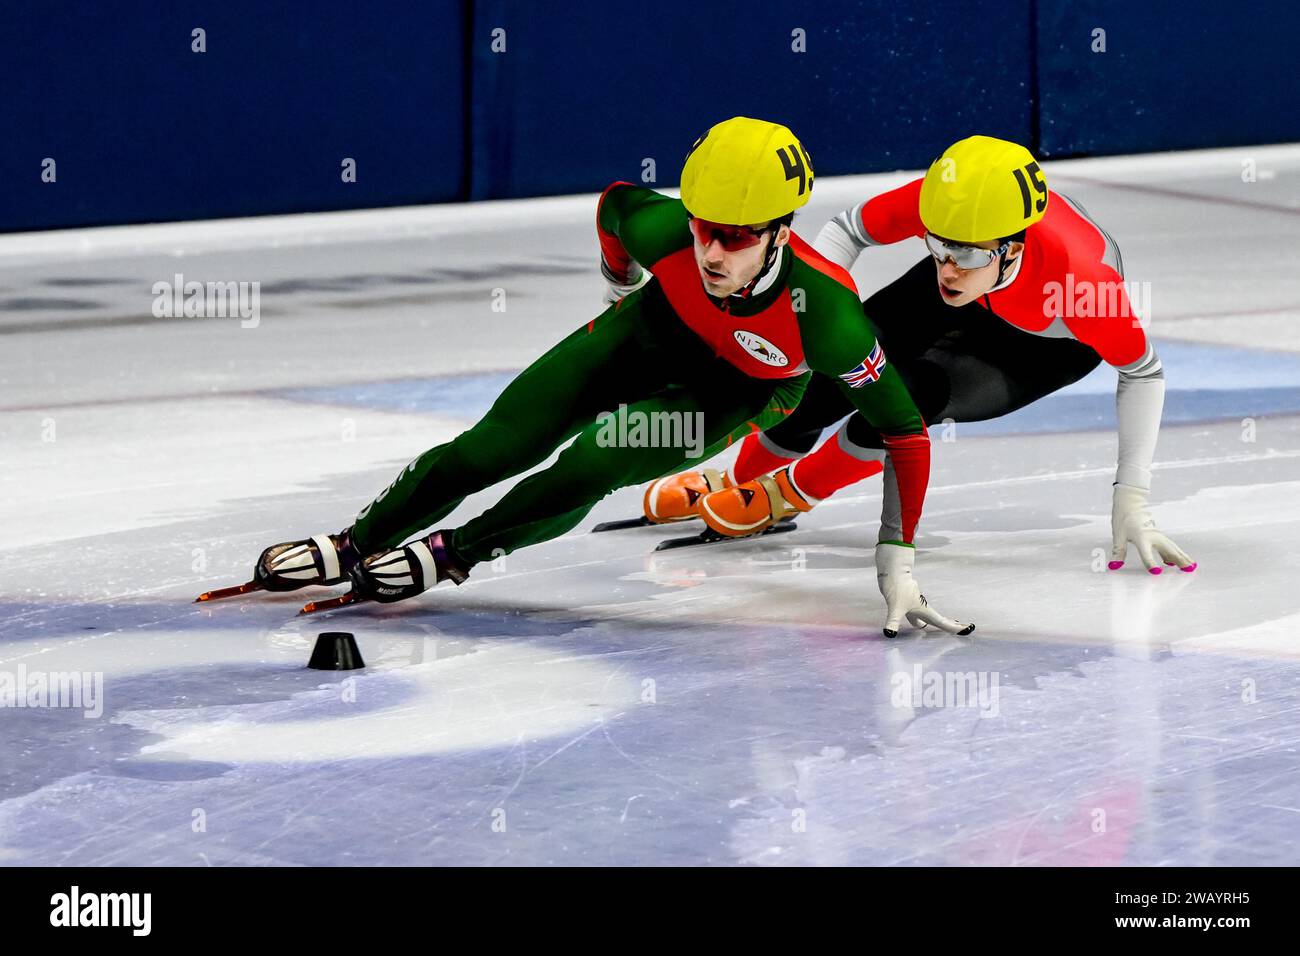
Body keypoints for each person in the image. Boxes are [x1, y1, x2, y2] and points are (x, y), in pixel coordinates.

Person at [238, 117, 972, 636]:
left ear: (782, 231)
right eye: (701, 226)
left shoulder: (829, 318)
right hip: (649, 332)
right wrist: (619, 289)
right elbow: (616, 205)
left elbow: (904, 430)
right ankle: (356, 541)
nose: (712, 251)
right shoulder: (665, 233)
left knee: (594, 462)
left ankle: (453, 553)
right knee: (492, 446)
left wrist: (895, 559)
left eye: (735, 237)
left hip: (736, 390)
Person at [647, 135, 1195, 576]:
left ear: (1015, 247)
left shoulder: (1082, 285)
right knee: (843, 363)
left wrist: (1133, 496)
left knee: (913, 392)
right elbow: (849, 229)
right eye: (935, 245)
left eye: (962, 252)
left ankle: (784, 495)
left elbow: (1143, 373)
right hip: (982, 292)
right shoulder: (952, 214)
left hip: (1041, 344)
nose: (946, 264)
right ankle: (739, 476)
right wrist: (819, 316)